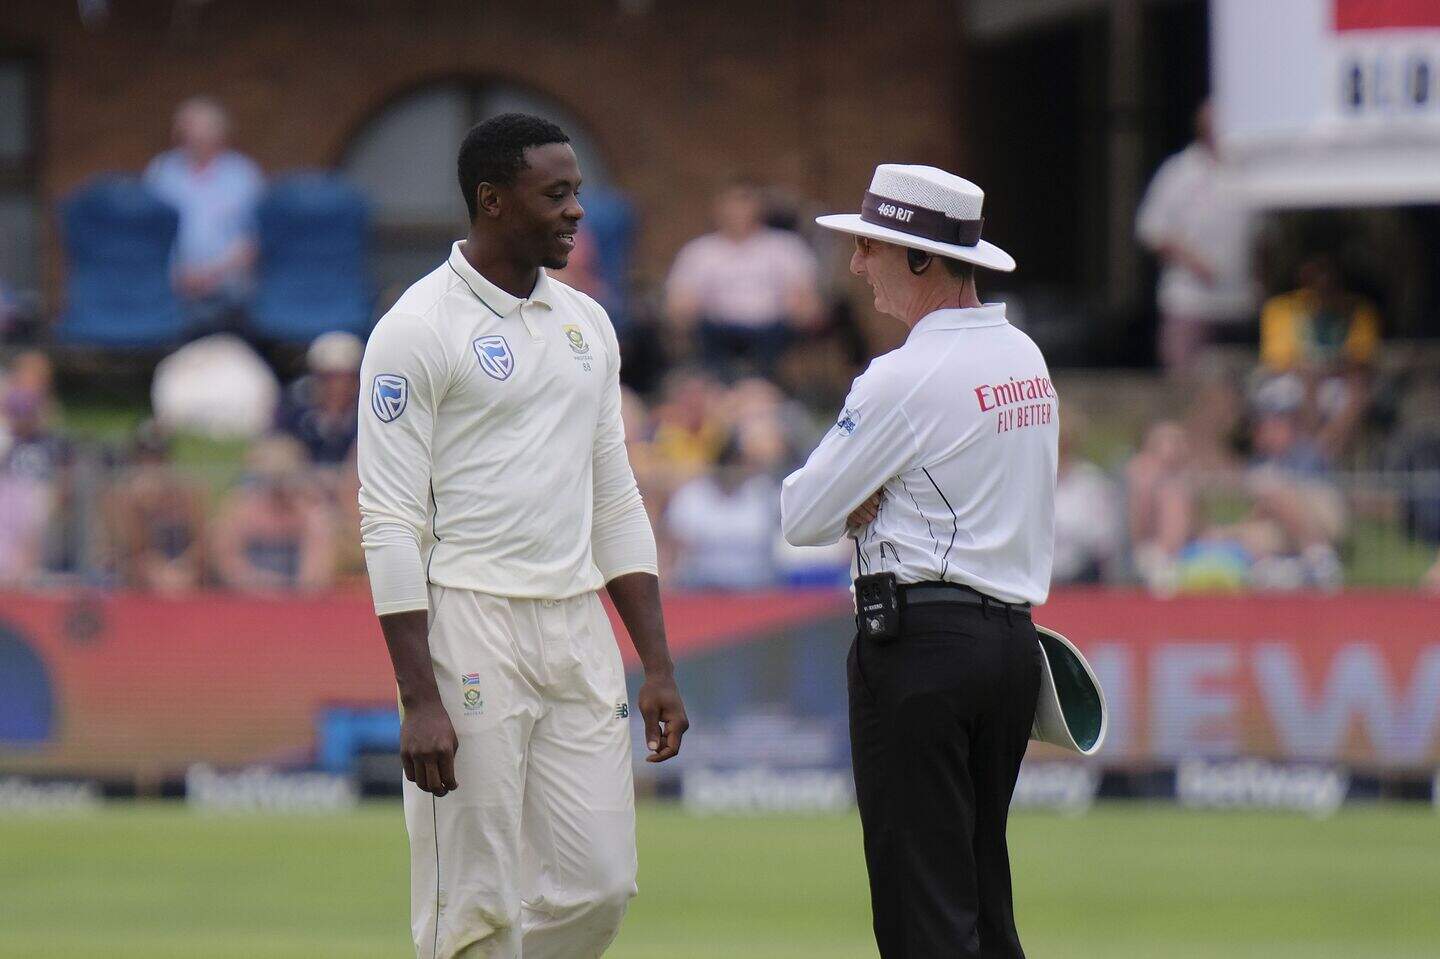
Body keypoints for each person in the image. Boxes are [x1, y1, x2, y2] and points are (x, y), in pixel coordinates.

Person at [356, 113, 687, 959]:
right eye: (558, 194)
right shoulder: (416, 328)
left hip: (575, 624)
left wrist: (657, 663)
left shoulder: (588, 325)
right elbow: (389, 516)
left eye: (578, 190)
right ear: (493, 201)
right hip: (468, 623)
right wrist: (418, 695)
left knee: (600, 885)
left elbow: (613, 498)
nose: (579, 210)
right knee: (471, 904)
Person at [781, 164, 1056, 958]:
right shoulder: (1025, 358)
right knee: (981, 897)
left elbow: (802, 514)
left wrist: (865, 494)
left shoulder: (902, 376)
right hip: (1010, 646)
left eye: (871, 247)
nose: (858, 265)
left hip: (921, 647)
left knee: (923, 912)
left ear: (921, 259)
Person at [1136, 99, 1256, 376]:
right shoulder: (1180, 171)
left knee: (1235, 382)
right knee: (1184, 379)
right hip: (1189, 300)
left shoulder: (1245, 171)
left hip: (1238, 300)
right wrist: (1194, 262)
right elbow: (1152, 229)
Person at [665, 178, 822, 376]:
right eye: (732, 202)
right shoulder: (699, 251)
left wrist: (799, 311)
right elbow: (678, 303)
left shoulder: (786, 247)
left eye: (745, 201)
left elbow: (806, 300)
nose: (738, 210)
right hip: (717, 329)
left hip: (772, 329)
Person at [144, 96, 265, 329]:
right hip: (172, 288)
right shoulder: (162, 171)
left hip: (230, 291)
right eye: (186, 132)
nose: (192, 139)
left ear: (219, 135)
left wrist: (210, 274)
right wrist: (178, 276)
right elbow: (147, 234)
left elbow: (255, 240)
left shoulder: (242, 175)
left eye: (200, 132)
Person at [211, 435, 336, 593]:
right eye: (272, 476)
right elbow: (229, 563)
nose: (278, 484)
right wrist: (259, 585)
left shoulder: (313, 515)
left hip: (296, 601)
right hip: (249, 598)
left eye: (284, 476)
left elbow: (315, 575)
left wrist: (299, 588)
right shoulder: (240, 510)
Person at [106, 421, 207, 593]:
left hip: (182, 566)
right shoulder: (119, 495)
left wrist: (185, 566)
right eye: (145, 457)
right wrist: (139, 508)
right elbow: (133, 549)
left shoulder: (188, 492)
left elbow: (202, 539)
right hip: (138, 567)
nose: (151, 464)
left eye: (158, 457)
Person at [275, 330, 363, 465]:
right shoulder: (295, 409)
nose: (336, 387)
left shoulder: (368, 414)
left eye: (344, 378)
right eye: (327, 378)